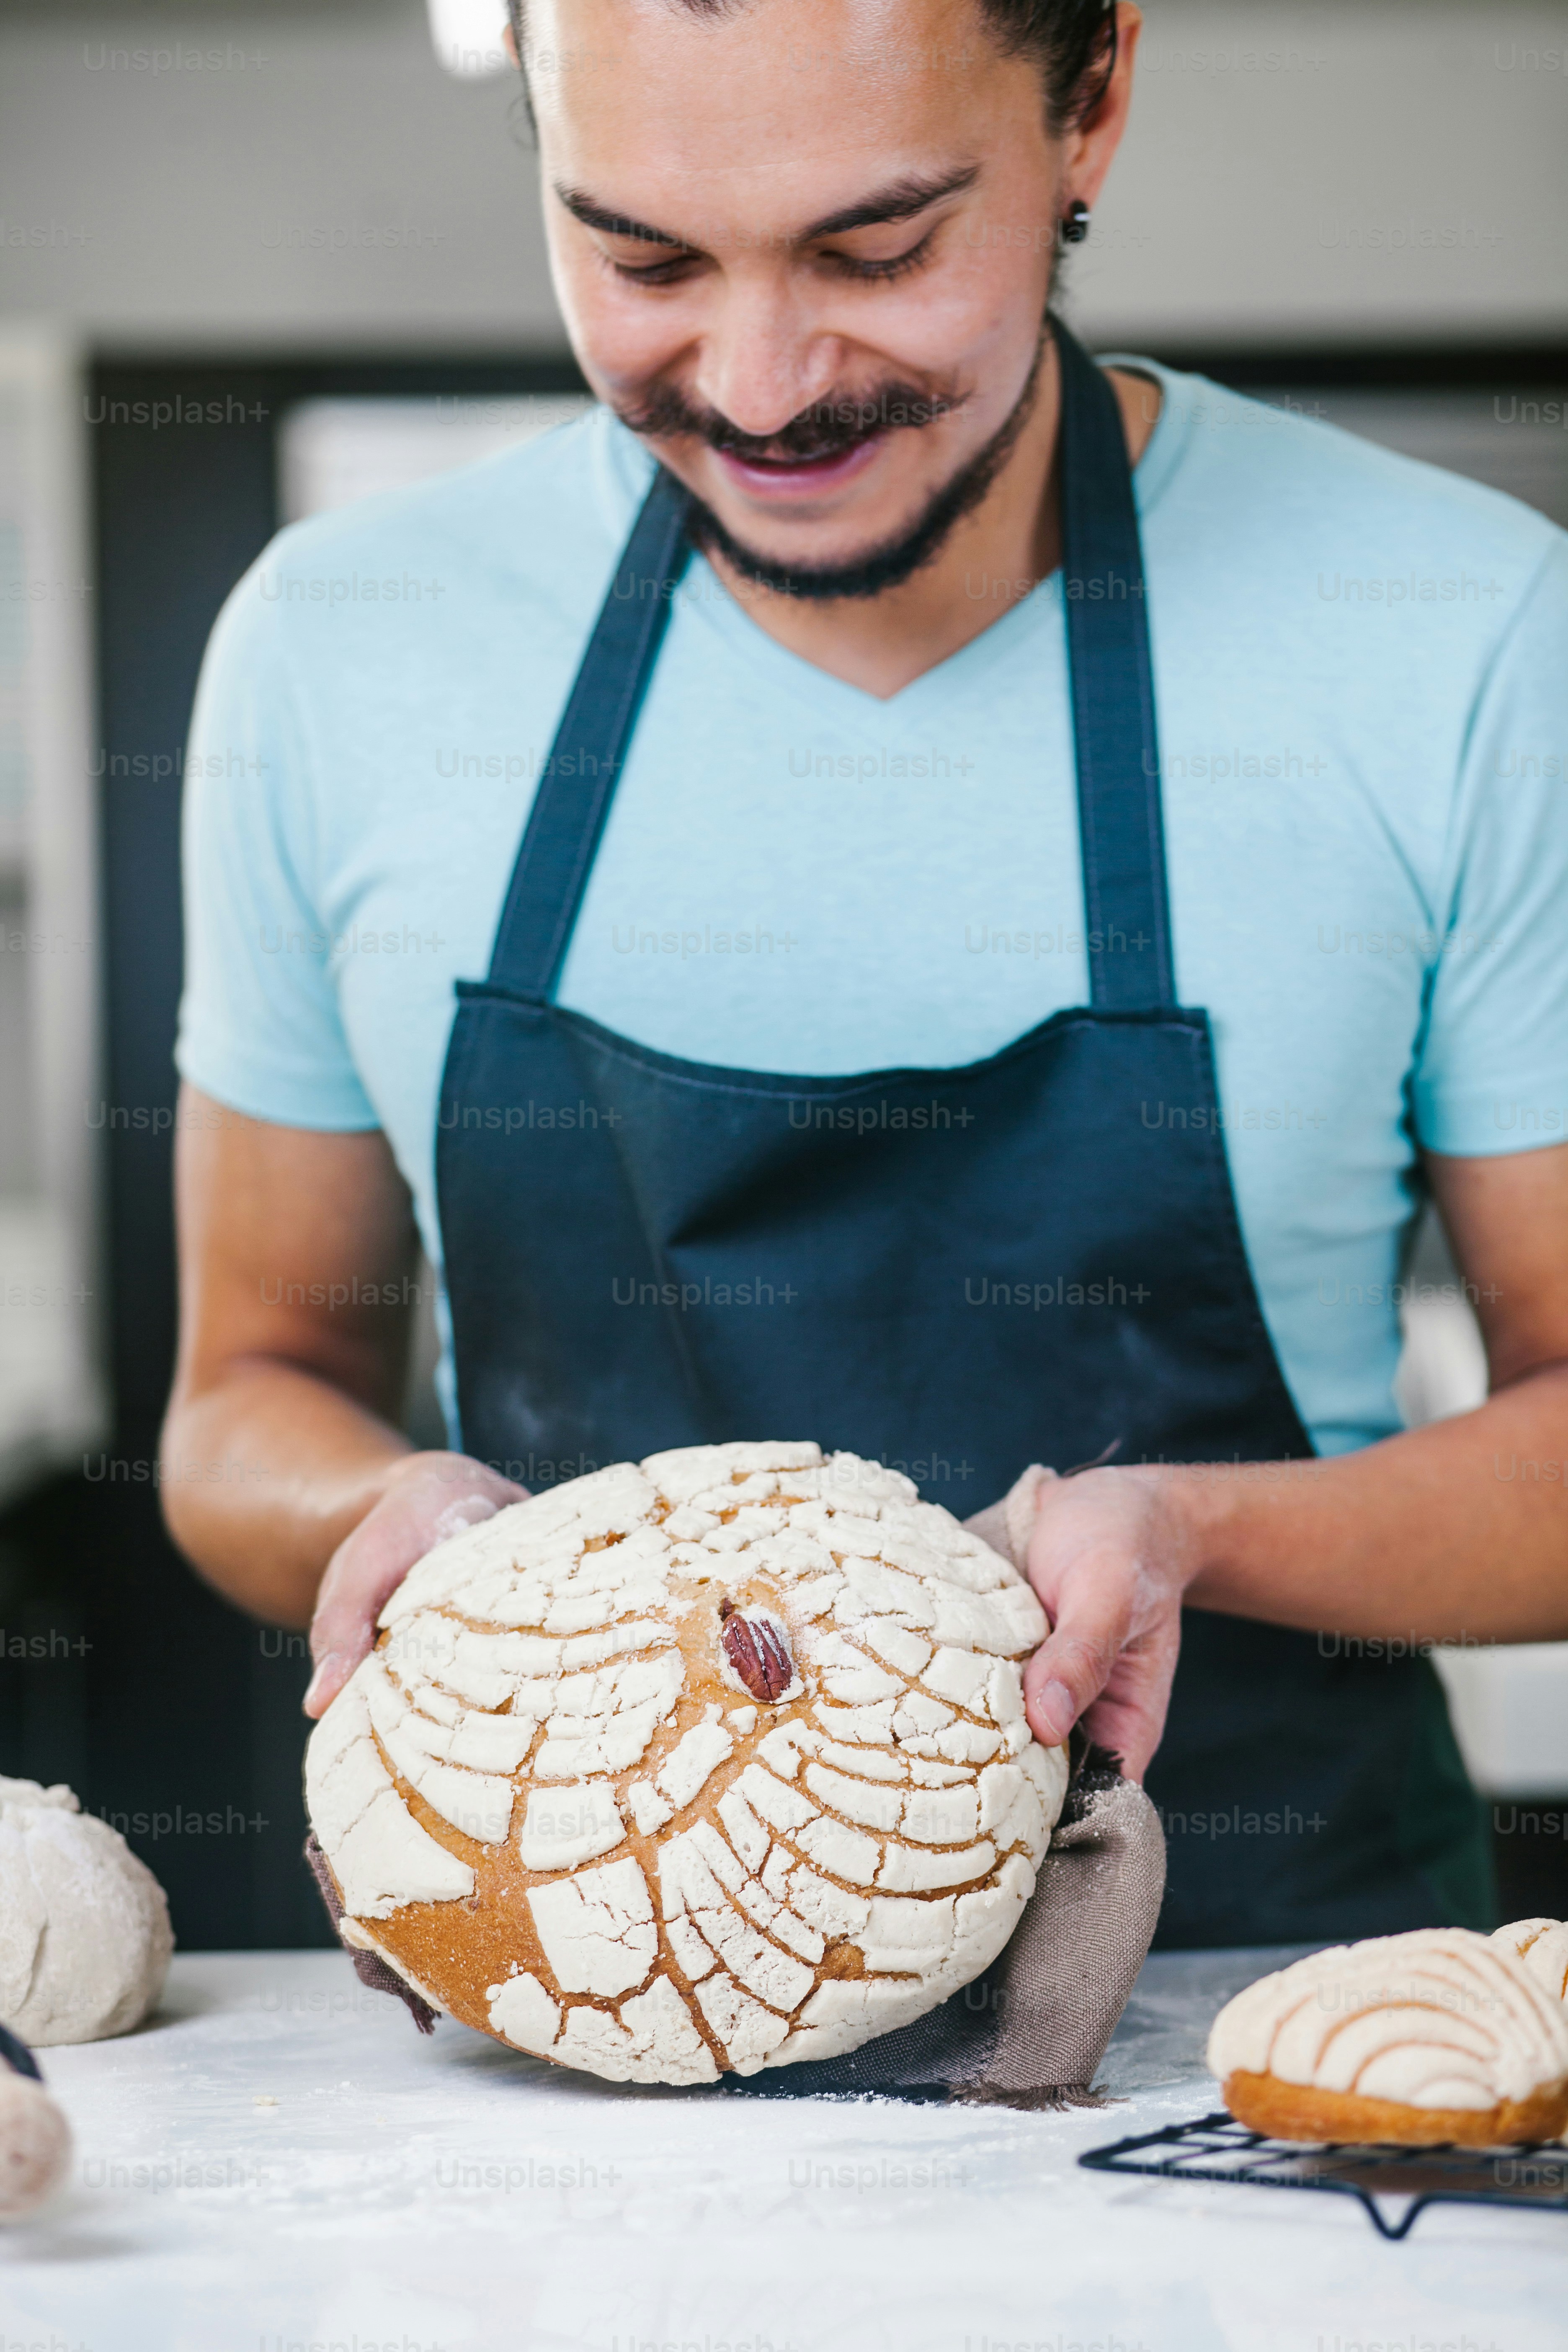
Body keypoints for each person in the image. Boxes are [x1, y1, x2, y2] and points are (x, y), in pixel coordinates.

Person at [161, 0, 1568, 1947]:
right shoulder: (338, 651)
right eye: (641, 256)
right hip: (577, 2015)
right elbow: (245, 1395)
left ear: (1094, 108)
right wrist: (386, 1521)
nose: (756, 384)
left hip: (1248, 2018)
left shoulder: (1461, 638)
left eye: (880, 250)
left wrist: (1193, 1529)